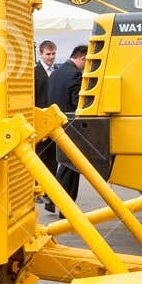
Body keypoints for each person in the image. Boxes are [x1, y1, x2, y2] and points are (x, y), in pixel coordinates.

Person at [46, 44, 89, 204]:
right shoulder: (75, 75)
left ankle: (55, 200)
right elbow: (77, 102)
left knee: (65, 165)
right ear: (83, 58)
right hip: (70, 125)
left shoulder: (56, 73)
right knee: (71, 167)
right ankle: (64, 203)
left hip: (55, 123)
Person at [33, 41, 58, 201]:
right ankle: (37, 188)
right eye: (48, 54)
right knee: (40, 157)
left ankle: (50, 190)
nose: (51, 57)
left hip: (53, 121)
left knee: (53, 157)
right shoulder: (35, 73)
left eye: (53, 53)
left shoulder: (56, 72)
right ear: (41, 54)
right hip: (40, 120)